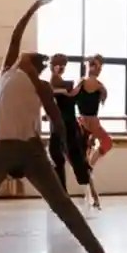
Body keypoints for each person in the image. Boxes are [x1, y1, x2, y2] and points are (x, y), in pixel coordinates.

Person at [0, 0, 112, 253]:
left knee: (61, 204)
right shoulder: (8, 70)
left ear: (33, 65)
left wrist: (67, 147)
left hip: (30, 150)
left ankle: (98, 252)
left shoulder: (40, 85)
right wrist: (32, 9)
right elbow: (16, 34)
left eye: (31, 58)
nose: (25, 56)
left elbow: (57, 119)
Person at [46, 53, 91, 190]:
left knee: (67, 157)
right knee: (60, 157)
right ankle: (62, 190)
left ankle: (73, 185)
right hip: (62, 126)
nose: (62, 68)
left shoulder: (64, 85)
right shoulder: (56, 85)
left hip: (65, 125)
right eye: (60, 65)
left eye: (63, 65)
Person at [74, 54, 111, 209]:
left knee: (107, 142)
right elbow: (71, 98)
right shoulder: (80, 83)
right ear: (88, 65)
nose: (98, 68)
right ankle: (92, 194)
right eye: (95, 65)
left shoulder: (101, 87)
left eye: (100, 66)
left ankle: (90, 165)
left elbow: (102, 98)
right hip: (82, 122)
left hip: (94, 122)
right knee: (83, 157)